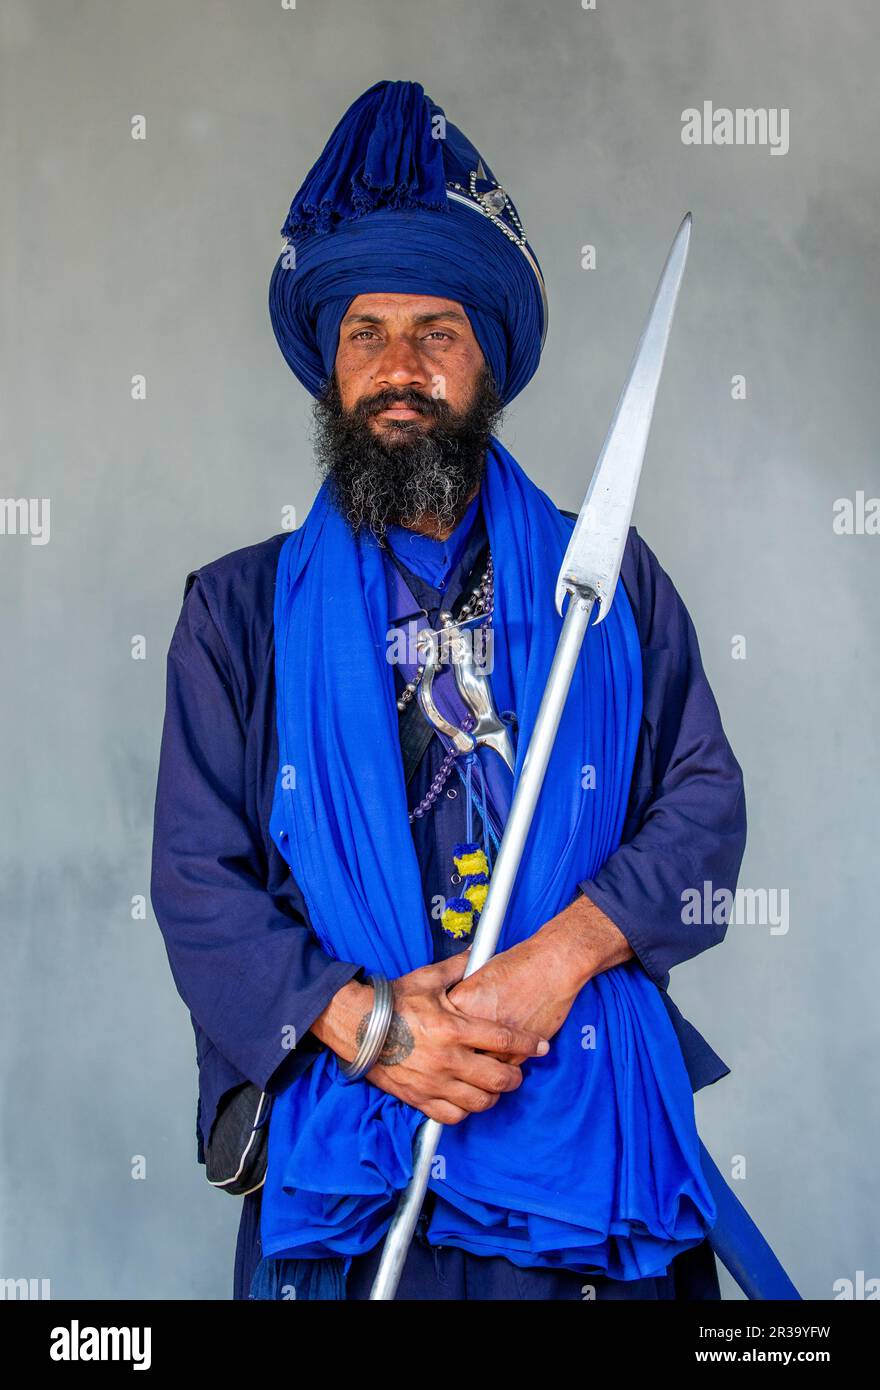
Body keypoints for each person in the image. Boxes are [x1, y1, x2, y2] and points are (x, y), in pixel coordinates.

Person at [151, 80, 746, 1301]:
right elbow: (197, 884)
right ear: (329, 360)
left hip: (582, 1139)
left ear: (489, 361)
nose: (398, 368)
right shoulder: (237, 612)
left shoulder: (610, 582)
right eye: (365, 332)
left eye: (436, 332)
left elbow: (703, 810)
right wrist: (371, 1029)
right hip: (355, 1145)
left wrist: (556, 964)